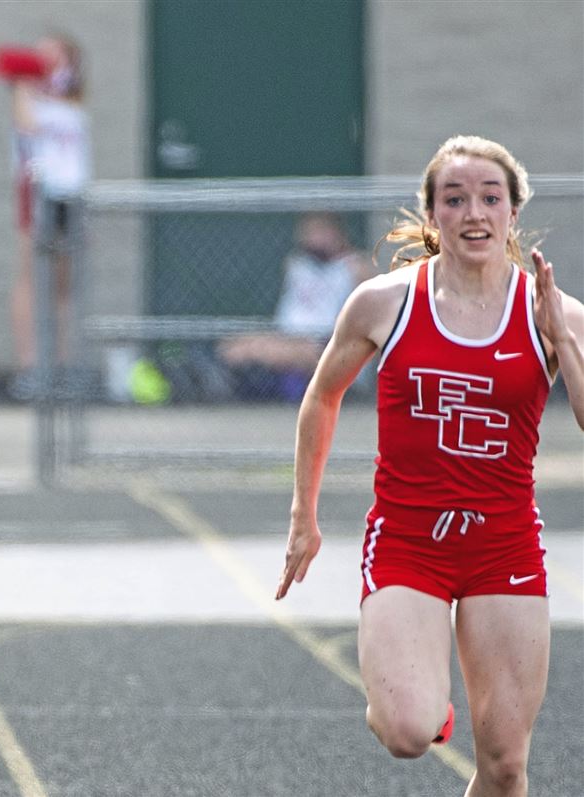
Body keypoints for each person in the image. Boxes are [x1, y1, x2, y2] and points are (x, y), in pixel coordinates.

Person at [276, 135, 584, 796]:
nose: (474, 211)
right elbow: (321, 396)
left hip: (504, 546)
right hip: (411, 543)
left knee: (505, 767)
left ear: (512, 211)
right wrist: (305, 513)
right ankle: (417, 696)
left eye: (490, 197)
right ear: (433, 214)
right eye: (455, 198)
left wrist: (565, 346)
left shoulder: (553, 314)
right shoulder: (383, 303)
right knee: (410, 729)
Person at [3, 33, 91, 399]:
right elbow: (27, 125)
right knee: (29, 276)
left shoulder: (73, 107)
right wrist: (23, 81)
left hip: (70, 194)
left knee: (63, 285)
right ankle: (29, 365)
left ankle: (63, 364)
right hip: (38, 193)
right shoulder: (29, 100)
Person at [218, 212, 368, 401]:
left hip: (325, 341)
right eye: (309, 232)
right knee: (233, 348)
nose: (313, 238)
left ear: (337, 234)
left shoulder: (354, 266)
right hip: (288, 336)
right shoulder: (297, 264)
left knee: (300, 353)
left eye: (320, 231)